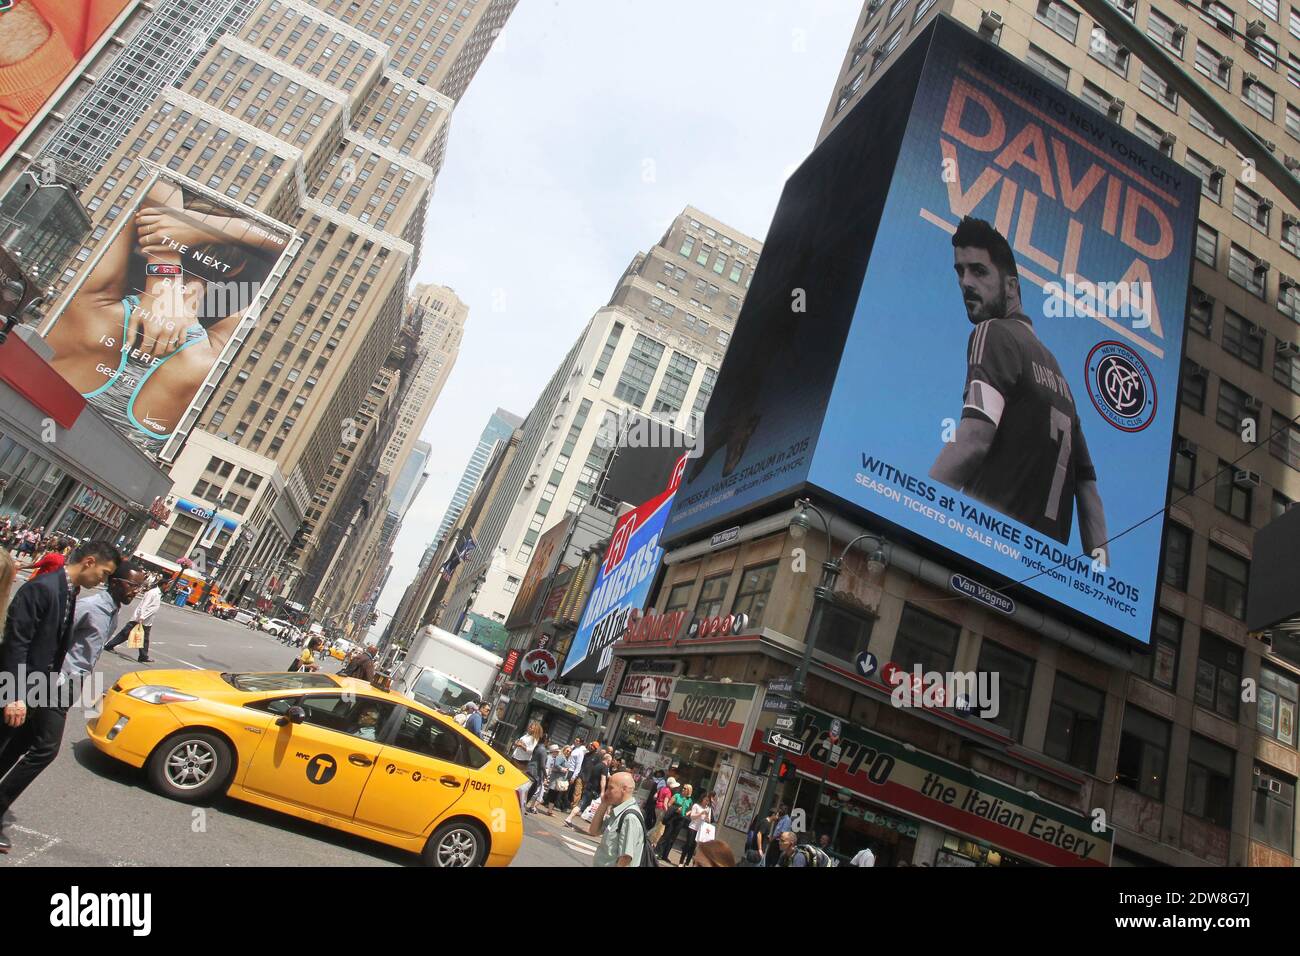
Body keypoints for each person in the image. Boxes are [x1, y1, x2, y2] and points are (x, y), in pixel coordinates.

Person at [929, 216, 1108, 556]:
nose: (966, 282)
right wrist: (1096, 582)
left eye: (978, 271)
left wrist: (913, 509)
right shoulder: (1061, 381)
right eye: (960, 271)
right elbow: (1088, 492)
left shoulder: (994, 332)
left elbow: (973, 440)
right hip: (1036, 583)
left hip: (981, 551)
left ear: (1011, 287)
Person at [0, 540, 120, 853]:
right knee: (44, 747)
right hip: (25, 686)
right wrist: (15, 695)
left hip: (45, 685)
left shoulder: (71, 592)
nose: (102, 581)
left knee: (20, 744)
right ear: (90, 562)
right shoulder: (44, 589)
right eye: (104, 573)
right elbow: (17, 642)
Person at [588, 770, 647, 868]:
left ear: (624, 789)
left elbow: (625, 859)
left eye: (610, 788)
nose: (606, 792)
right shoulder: (619, 812)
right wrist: (604, 804)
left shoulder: (629, 818)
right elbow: (594, 831)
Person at [104, 572, 161, 663]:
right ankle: (109, 645)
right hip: (140, 619)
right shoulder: (152, 593)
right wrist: (141, 617)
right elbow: (144, 605)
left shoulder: (157, 593)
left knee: (142, 637)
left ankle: (143, 656)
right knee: (126, 633)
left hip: (147, 620)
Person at [657, 781, 693, 863]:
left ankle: (665, 855)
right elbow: (669, 804)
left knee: (672, 838)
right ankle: (658, 852)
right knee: (666, 835)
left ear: (689, 791)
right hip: (673, 817)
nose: (683, 789)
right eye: (683, 788)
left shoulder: (689, 800)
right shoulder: (677, 796)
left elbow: (691, 809)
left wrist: (687, 813)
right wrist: (676, 809)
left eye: (685, 789)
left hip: (680, 819)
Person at [681, 791, 714, 866]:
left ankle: (687, 863)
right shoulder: (696, 806)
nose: (707, 802)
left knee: (693, 847)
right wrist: (701, 813)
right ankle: (681, 861)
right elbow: (692, 817)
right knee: (688, 844)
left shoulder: (708, 809)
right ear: (702, 799)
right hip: (692, 827)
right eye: (706, 800)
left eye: (708, 801)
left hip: (700, 830)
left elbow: (708, 821)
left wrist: (706, 817)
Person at [524, 733, 549, 813]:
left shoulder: (537, 747)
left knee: (526, 790)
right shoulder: (543, 750)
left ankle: (522, 806)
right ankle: (522, 807)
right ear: (546, 741)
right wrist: (546, 775)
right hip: (535, 773)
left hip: (530, 768)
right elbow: (542, 765)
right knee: (531, 792)